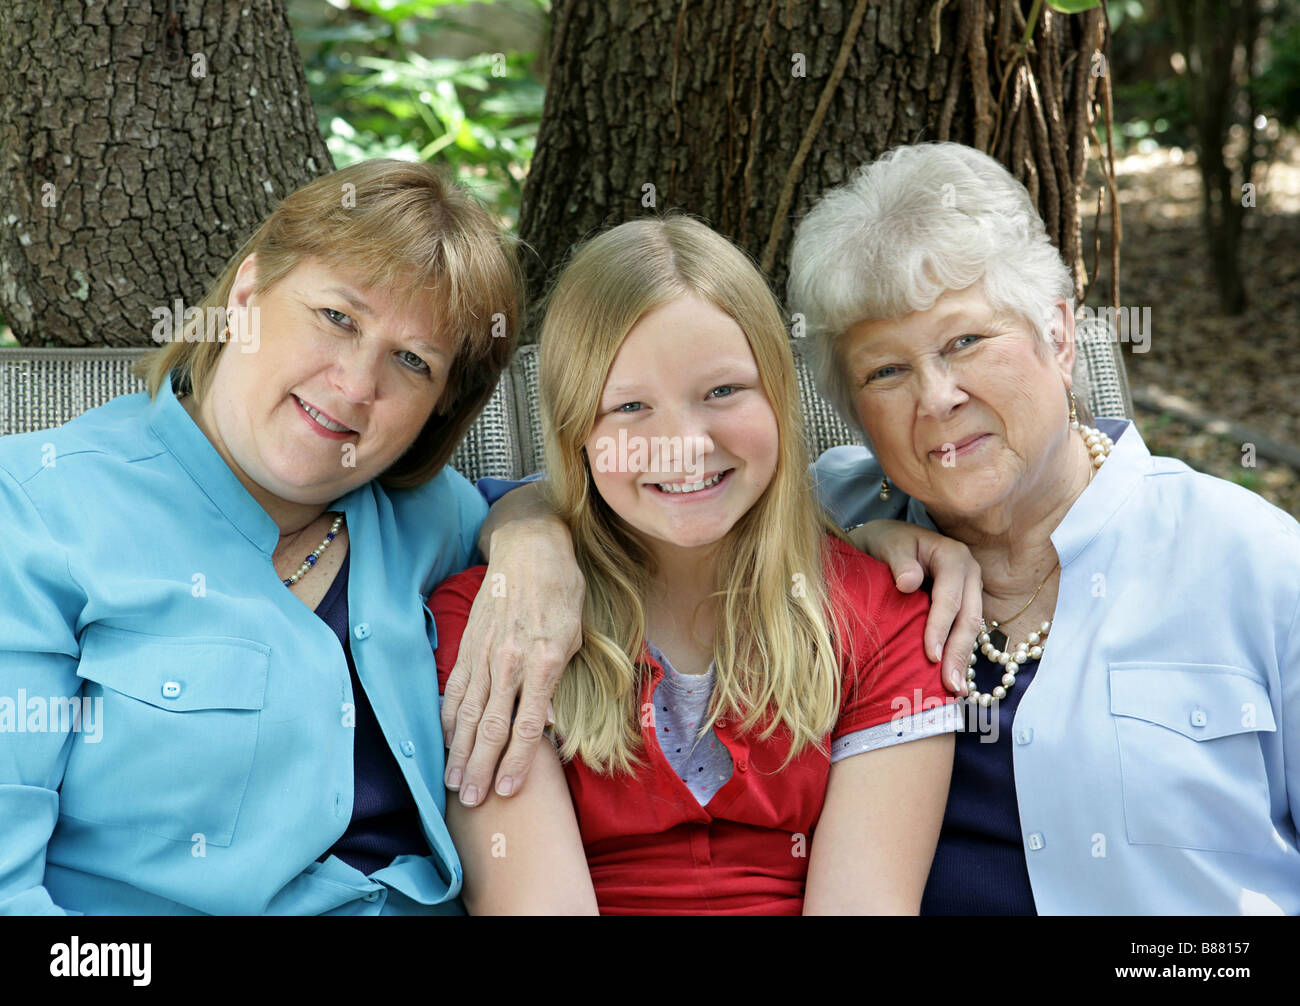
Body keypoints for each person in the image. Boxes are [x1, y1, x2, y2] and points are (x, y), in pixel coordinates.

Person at [0, 159, 575, 915]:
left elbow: (540, 502)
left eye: (412, 361)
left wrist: (535, 541)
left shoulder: (431, 520)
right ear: (247, 292)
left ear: (440, 408)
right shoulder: (39, 506)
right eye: (338, 318)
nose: (356, 384)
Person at [785, 141, 1300, 914]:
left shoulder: (1250, 563)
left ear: (1059, 336)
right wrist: (529, 536)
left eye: (966, 341)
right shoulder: (814, 527)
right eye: (885, 372)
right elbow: (615, 508)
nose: (937, 396)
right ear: (855, 416)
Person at [428, 216, 959, 915]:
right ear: (575, 431)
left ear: (779, 397)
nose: (681, 444)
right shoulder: (497, 620)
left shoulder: (882, 617)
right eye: (630, 406)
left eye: (723, 392)